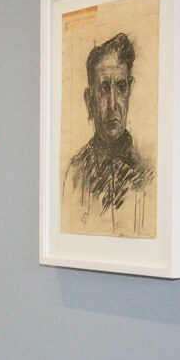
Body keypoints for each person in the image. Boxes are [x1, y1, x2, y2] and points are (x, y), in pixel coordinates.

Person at [65, 32, 154, 233]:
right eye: (104, 89)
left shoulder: (148, 174)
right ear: (90, 101)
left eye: (121, 87)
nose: (113, 104)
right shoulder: (75, 173)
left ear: (129, 91)